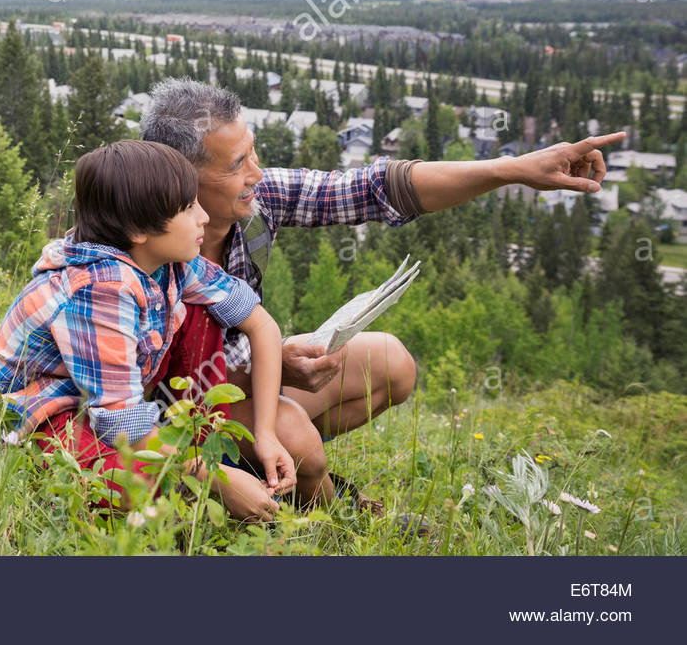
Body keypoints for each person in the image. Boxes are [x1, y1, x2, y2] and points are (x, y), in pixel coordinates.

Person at [141, 77, 626, 506]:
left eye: (254, 153)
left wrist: (512, 169)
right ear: (179, 177)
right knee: (294, 434)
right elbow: (139, 404)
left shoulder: (258, 202)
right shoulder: (135, 252)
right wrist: (264, 370)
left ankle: (267, 474)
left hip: (247, 385)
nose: (258, 174)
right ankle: (327, 515)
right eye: (236, 165)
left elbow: (376, 188)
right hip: (173, 427)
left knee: (390, 363)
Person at [0, 139, 294, 521]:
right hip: (47, 409)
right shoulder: (100, 290)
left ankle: (191, 445)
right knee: (139, 486)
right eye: (187, 207)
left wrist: (266, 434)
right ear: (138, 229)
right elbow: (122, 427)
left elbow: (260, 323)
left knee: (205, 310)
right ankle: (188, 474)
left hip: (107, 397)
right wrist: (216, 478)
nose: (204, 218)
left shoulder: (173, 261)